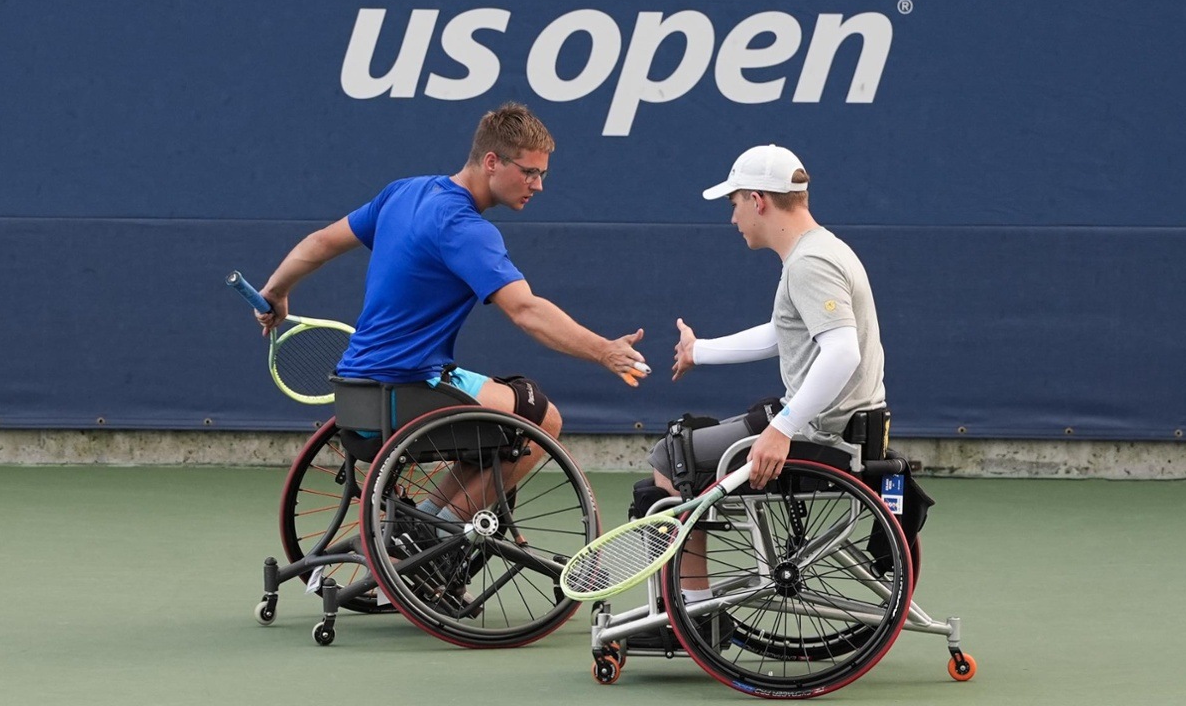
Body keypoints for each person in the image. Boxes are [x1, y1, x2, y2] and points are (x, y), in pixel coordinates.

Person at [252, 101, 649, 534]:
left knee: (507, 407)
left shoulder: (403, 192)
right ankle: (439, 536)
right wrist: (605, 352)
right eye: (529, 172)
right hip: (406, 390)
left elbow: (319, 242)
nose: (537, 185)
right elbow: (526, 310)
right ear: (492, 162)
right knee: (544, 419)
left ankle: (419, 527)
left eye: (543, 174)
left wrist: (275, 290)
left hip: (357, 392)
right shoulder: (464, 228)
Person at [628, 143, 889, 649]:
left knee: (672, 456)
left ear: (758, 200)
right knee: (692, 446)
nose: (733, 218)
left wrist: (782, 428)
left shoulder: (811, 262)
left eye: (734, 205)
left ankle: (695, 616)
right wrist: (699, 350)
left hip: (823, 436)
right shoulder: (818, 251)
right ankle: (694, 601)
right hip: (846, 427)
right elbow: (781, 333)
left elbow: (841, 353)